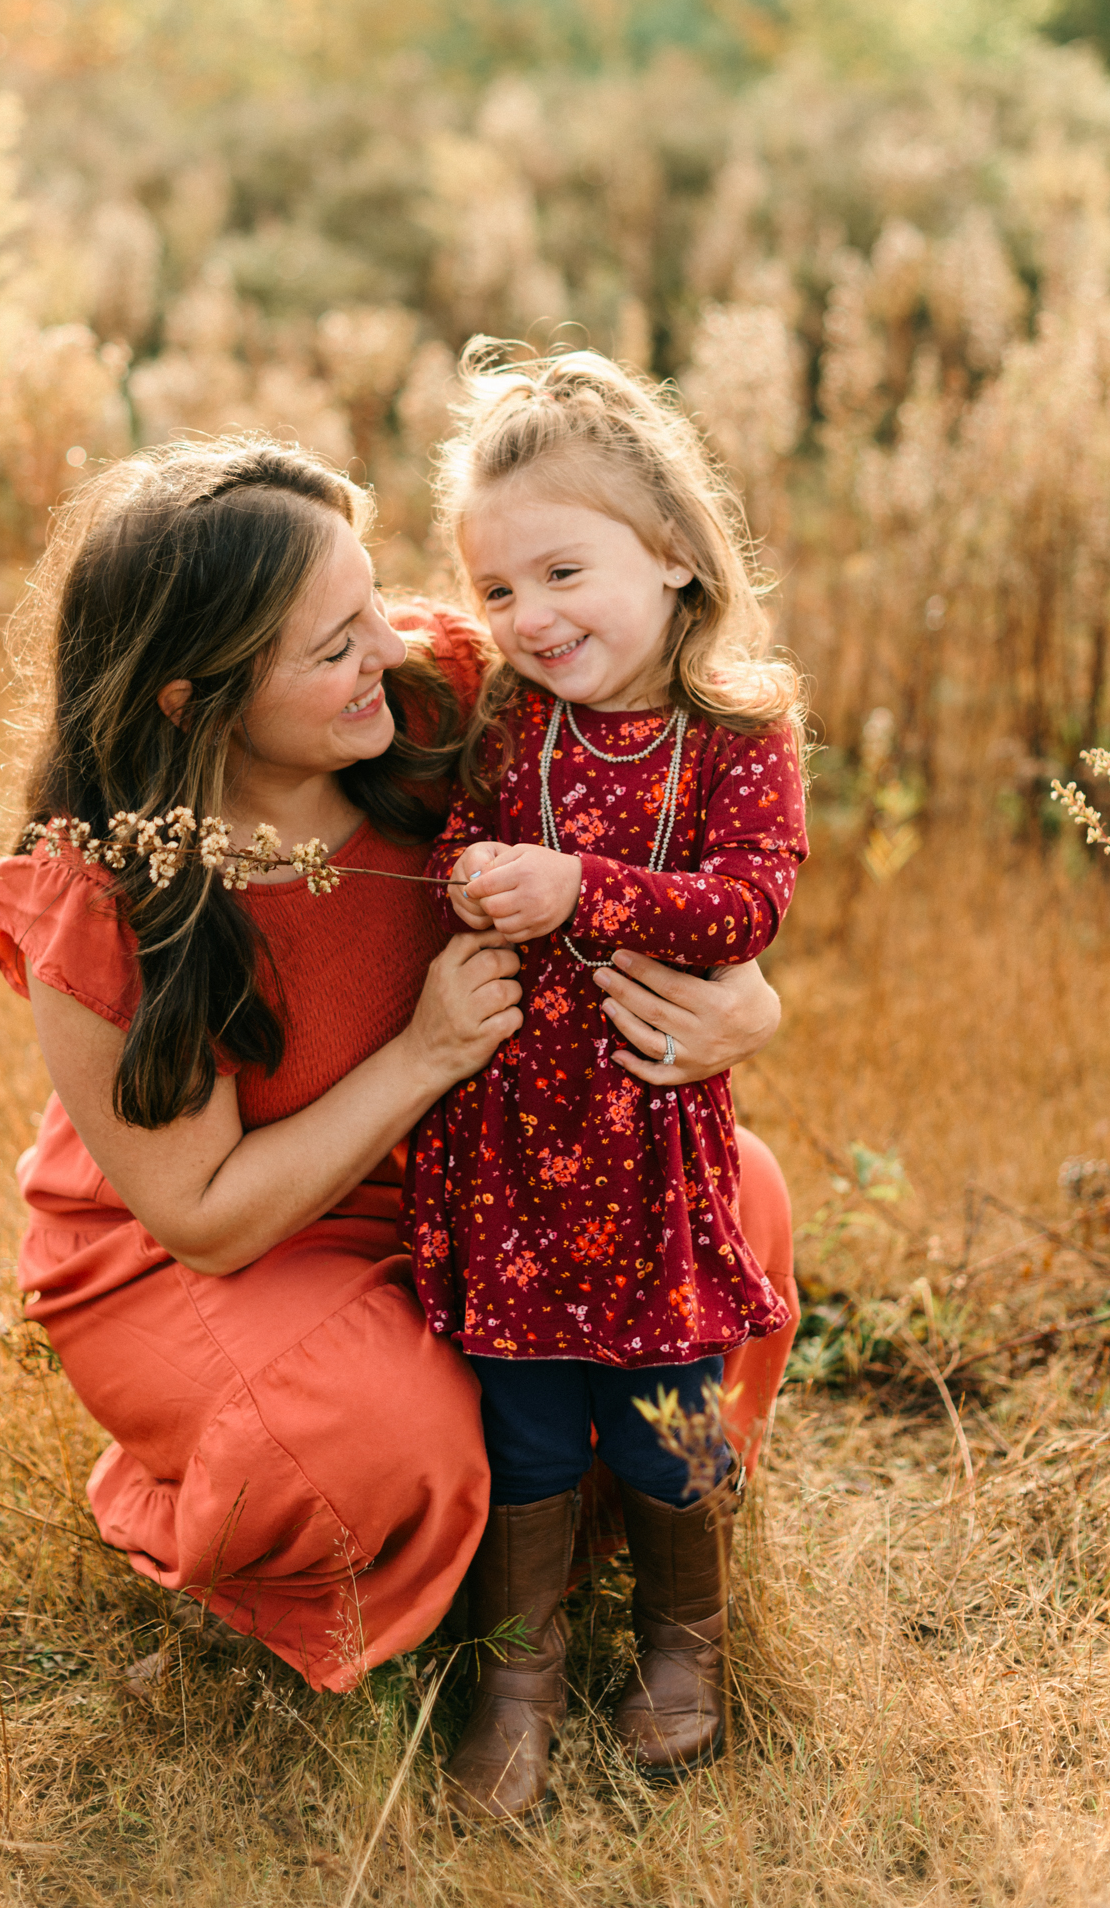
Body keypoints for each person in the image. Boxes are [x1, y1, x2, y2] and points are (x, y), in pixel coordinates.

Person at [0, 435, 797, 1706]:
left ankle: (582, 1551)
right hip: (219, 1246)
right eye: (336, 642)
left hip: (474, 1174)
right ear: (196, 699)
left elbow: (702, 834)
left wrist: (747, 1006)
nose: (395, 648)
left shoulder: (445, 689)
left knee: (740, 1196)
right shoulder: (108, 889)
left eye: (371, 603)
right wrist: (427, 1054)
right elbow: (203, 1218)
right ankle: (263, 1544)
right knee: (364, 1431)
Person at [406, 345, 808, 1819]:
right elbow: (455, 848)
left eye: (564, 572)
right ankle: (518, 1672)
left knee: (669, 1402)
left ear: (676, 560)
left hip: (647, 1136)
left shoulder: (736, 734)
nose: (531, 618)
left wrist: (580, 885)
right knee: (521, 1416)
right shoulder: (511, 723)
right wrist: (478, 880)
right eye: (499, 591)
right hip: (513, 1137)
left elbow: (746, 907)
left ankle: (684, 1640)